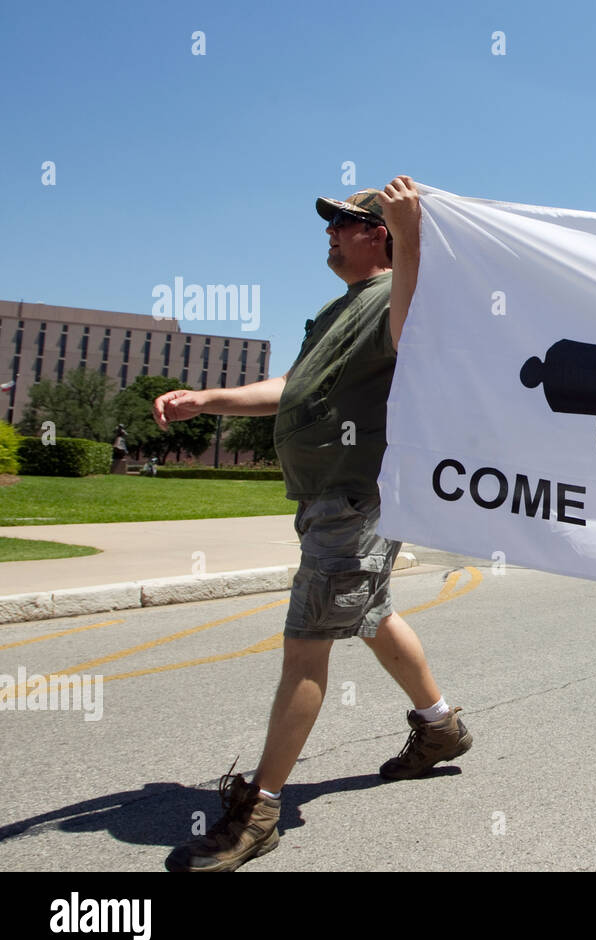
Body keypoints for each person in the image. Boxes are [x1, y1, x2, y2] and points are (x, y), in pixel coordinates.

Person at [152, 182, 471, 872]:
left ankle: (260, 811)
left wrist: (412, 233)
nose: (330, 233)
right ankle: (439, 727)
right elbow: (293, 388)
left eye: (347, 224)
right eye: (330, 225)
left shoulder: (398, 296)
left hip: (355, 499)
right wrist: (209, 399)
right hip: (326, 497)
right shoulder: (336, 309)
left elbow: (410, 331)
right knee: (372, 615)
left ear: (381, 235)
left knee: (304, 648)